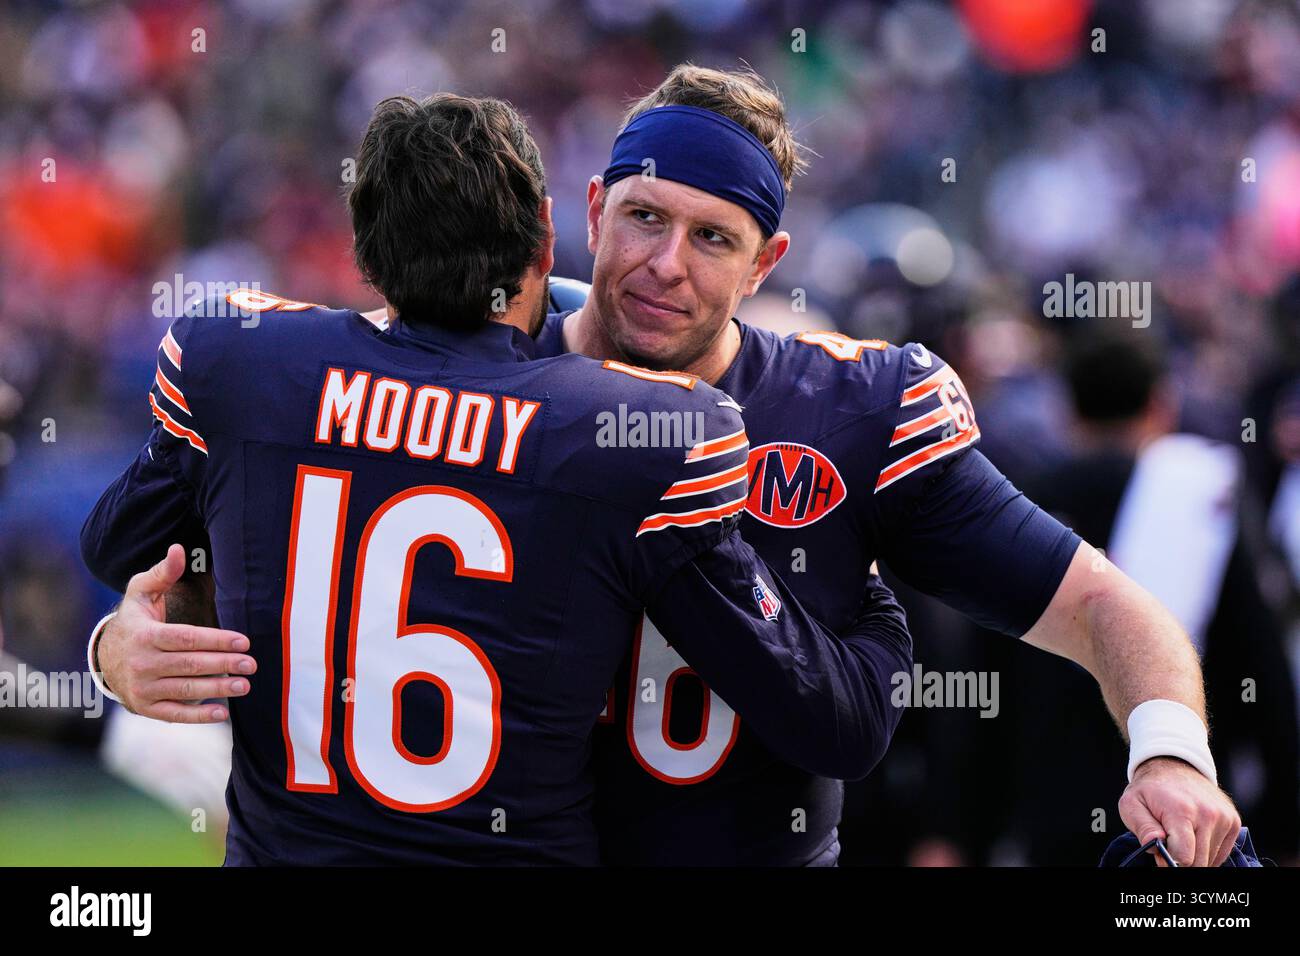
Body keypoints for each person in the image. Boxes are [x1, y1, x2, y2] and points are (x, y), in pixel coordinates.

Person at [96, 64, 1243, 867]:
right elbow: (253, 551)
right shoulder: (467, 356)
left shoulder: (851, 409)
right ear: (589, 208)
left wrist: (1173, 753)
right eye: (643, 217)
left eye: (712, 237)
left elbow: (1097, 601)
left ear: (767, 260)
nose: (661, 266)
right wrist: (122, 643)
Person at [80, 93, 912, 865]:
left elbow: (119, 544)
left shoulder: (245, 360)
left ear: (366, 248)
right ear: (549, 238)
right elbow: (838, 725)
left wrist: (116, 641)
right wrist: (867, 577)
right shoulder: (644, 432)